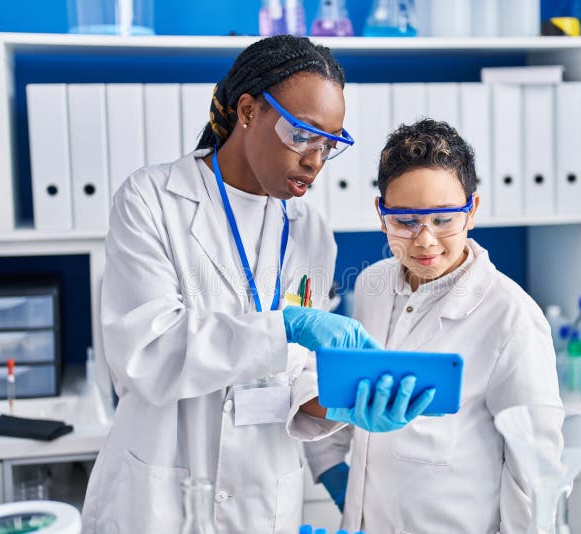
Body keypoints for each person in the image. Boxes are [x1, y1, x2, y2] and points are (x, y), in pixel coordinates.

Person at [81, 36, 428, 534]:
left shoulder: (310, 231)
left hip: (260, 500)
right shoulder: (151, 200)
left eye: (329, 144)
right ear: (248, 111)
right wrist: (285, 327)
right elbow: (147, 354)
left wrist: (345, 401)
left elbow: (294, 376)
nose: (314, 160)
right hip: (162, 498)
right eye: (302, 135)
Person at [304, 119, 563, 533]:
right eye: (405, 221)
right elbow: (352, 388)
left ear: (471, 211)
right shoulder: (372, 285)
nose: (425, 240)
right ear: (381, 214)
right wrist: (331, 466)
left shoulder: (511, 316)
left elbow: (534, 475)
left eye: (443, 219)